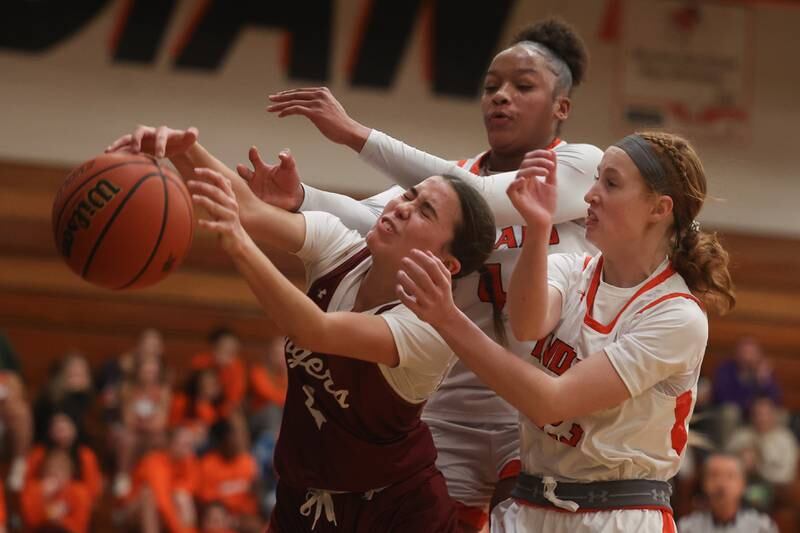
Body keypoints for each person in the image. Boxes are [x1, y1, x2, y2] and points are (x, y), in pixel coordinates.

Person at [263, 19, 601, 530]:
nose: (501, 98)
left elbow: (483, 200)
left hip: (534, 412)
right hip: (447, 410)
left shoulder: (580, 166)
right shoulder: (438, 187)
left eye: (523, 87)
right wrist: (303, 198)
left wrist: (357, 135)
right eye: (491, 87)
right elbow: (372, 218)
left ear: (562, 107)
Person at [395, 132, 735, 532]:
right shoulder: (574, 269)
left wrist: (447, 318)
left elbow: (550, 402)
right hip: (529, 504)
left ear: (659, 208)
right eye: (594, 180)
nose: (590, 194)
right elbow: (525, 325)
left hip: (617, 516)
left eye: (610, 183)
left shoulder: (677, 316)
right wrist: (537, 227)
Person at [678, 453, 778, 533]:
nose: (721, 484)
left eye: (730, 476)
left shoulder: (762, 528)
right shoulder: (686, 528)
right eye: (714, 475)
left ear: (743, 484)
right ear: (704, 483)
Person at [20, 448, 93, 533]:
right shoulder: (34, 488)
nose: (54, 471)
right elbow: (30, 522)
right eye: (51, 466)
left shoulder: (79, 492)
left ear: (69, 472)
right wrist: (42, 495)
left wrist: (59, 520)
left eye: (61, 467)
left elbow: (80, 528)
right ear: (44, 469)